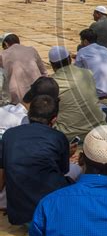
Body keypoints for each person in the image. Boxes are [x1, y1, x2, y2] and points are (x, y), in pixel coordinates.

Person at [0, 94, 71, 225]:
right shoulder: (58, 137)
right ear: (54, 119)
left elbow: (2, 176)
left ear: (28, 114)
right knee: (77, 172)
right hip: (50, 214)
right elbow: (63, 170)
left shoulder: (9, 135)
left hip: (19, 215)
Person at [50, 46, 106, 141]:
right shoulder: (87, 73)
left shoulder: (52, 83)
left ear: (52, 65)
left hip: (70, 135)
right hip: (98, 127)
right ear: (69, 59)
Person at [0, 34, 48, 104]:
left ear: (6, 44)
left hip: (17, 99)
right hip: (38, 93)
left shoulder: (2, 55)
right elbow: (44, 72)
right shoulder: (32, 50)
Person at [75, 28, 107, 98]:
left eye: (81, 41)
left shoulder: (82, 51)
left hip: (96, 91)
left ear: (85, 41)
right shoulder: (106, 50)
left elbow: (76, 70)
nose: (81, 43)